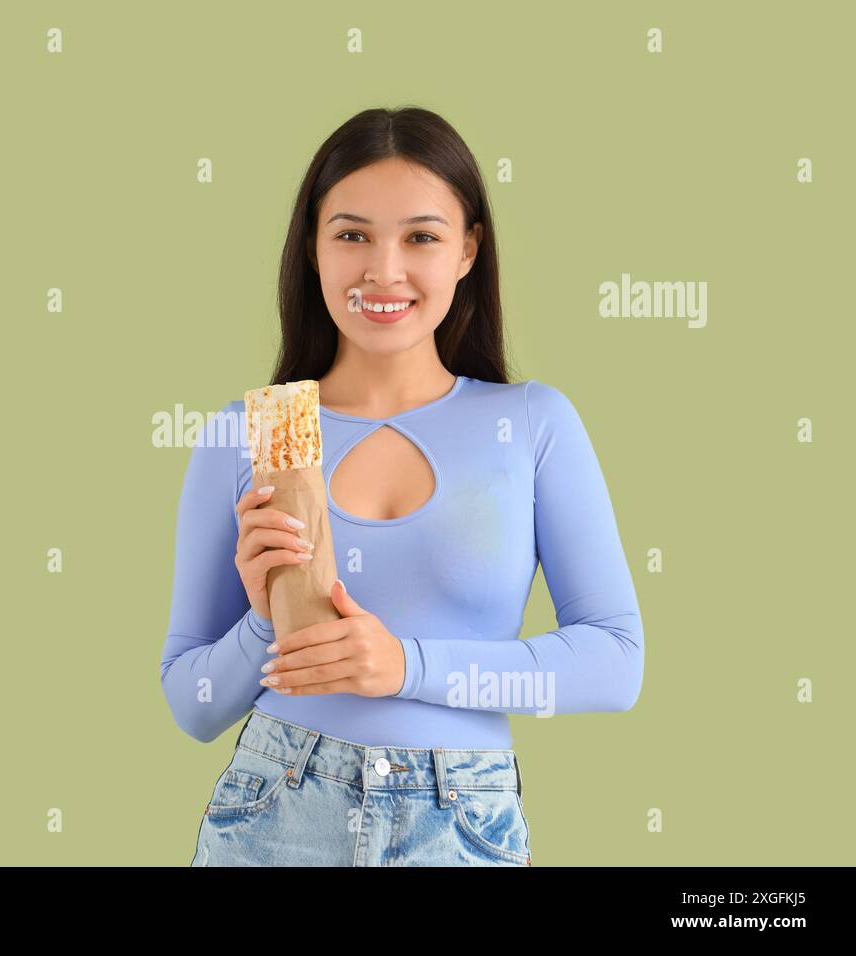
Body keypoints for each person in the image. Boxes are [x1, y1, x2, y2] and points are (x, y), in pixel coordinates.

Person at [159, 106, 644, 866]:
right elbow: (192, 706)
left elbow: (617, 663)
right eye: (351, 235)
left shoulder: (532, 422)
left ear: (467, 249)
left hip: (461, 822)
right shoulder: (251, 432)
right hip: (273, 809)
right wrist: (263, 624)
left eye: (420, 236)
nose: (383, 271)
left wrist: (407, 666)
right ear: (313, 249)